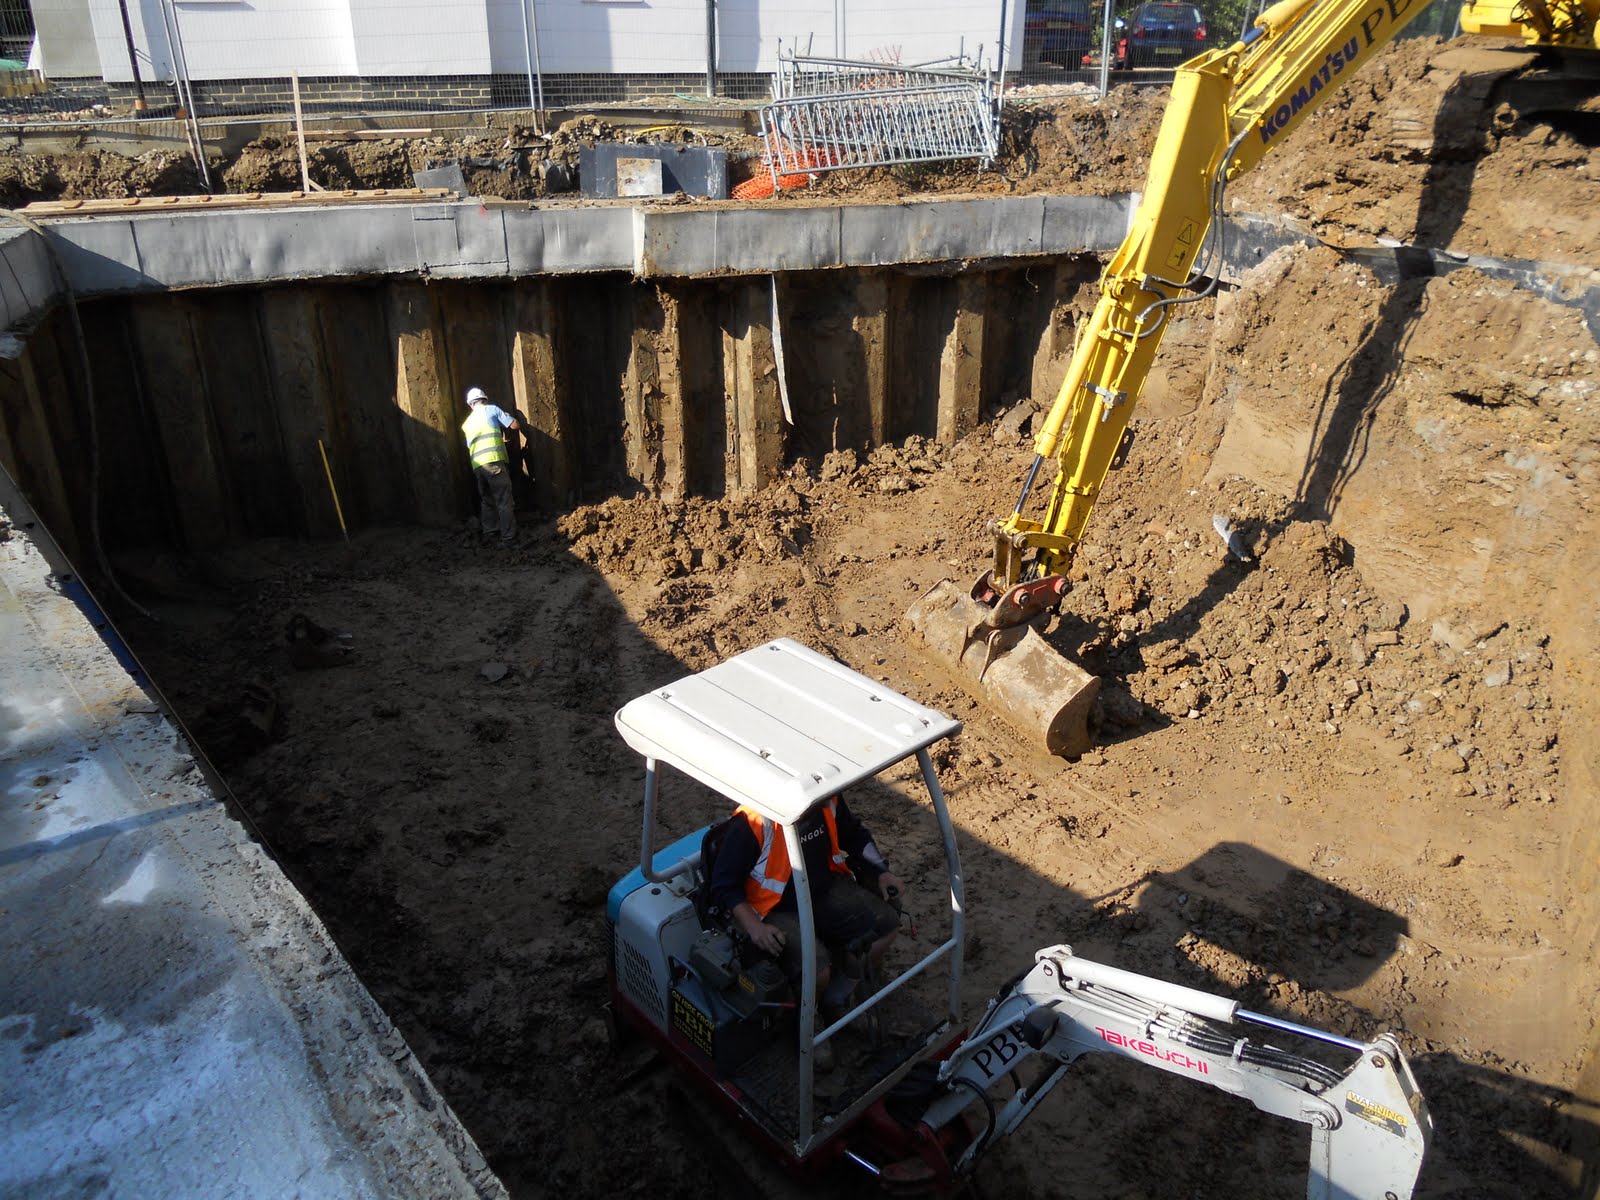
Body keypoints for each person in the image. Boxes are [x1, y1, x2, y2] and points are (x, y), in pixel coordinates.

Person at [709, 792, 904, 1029]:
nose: (832, 793)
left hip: (820, 888)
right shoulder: (755, 821)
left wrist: (881, 871)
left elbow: (853, 834)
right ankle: (806, 1023)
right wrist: (754, 926)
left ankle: (837, 999)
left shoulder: (828, 798)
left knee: (886, 925)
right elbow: (723, 885)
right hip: (772, 908)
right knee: (816, 971)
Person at [461, 386, 520, 544]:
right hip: (493, 462)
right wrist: (508, 416)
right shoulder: (491, 409)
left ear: (470, 404)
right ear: (484, 400)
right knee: (504, 499)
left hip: (478, 467)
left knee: (487, 500)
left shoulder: (467, 424)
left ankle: (491, 532)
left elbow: (470, 446)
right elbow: (514, 425)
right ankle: (508, 537)